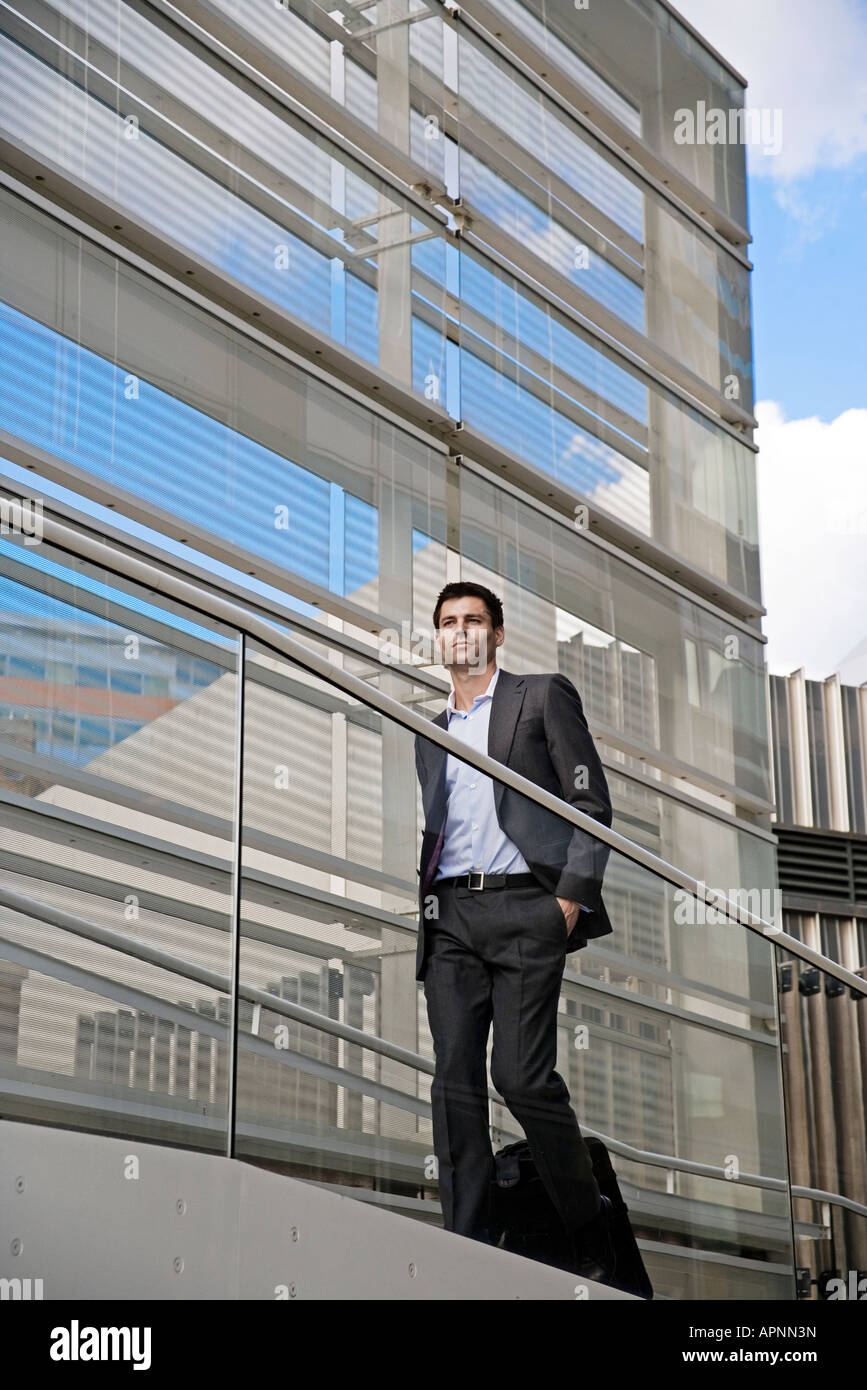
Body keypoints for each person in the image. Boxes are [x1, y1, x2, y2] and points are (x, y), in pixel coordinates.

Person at [414, 581, 617, 1282]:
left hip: (529, 908)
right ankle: (463, 1242)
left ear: (496, 635)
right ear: (438, 640)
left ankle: (586, 1219)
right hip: (450, 918)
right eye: (448, 622)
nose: (460, 631)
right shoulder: (430, 731)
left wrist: (570, 897)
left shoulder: (540, 696)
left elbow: (590, 799)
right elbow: (441, 828)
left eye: (473, 620)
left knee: (521, 1078)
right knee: (455, 1084)